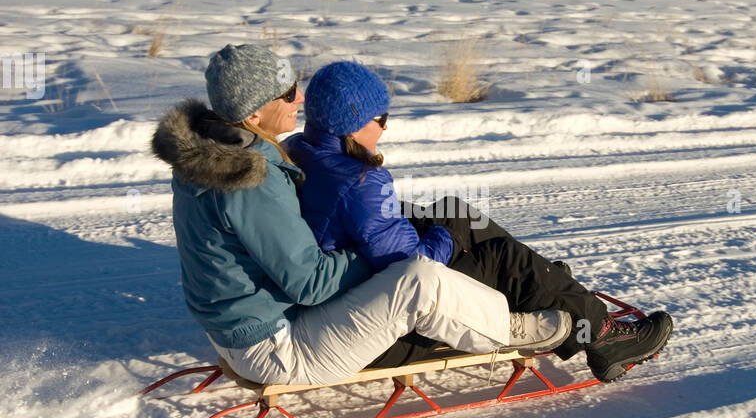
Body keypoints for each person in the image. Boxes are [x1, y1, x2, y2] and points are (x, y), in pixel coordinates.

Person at [151, 44, 574, 388]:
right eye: (286, 94)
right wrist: (371, 252)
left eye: (295, 85)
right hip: (277, 350)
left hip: (239, 332)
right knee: (418, 280)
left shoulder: (210, 153)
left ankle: (516, 293)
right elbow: (311, 282)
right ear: (254, 114)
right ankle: (508, 330)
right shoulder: (250, 177)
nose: (299, 97)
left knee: (410, 249)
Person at [286, 60, 673, 383]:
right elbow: (409, 267)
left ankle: (543, 285)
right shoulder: (358, 180)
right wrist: (446, 238)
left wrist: (441, 227)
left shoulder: (300, 150)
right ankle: (601, 335)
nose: (386, 128)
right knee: (502, 256)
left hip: (356, 286)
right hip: (377, 316)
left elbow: (373, 231)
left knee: (454, 211)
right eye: (381, 118)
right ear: (351, 123)